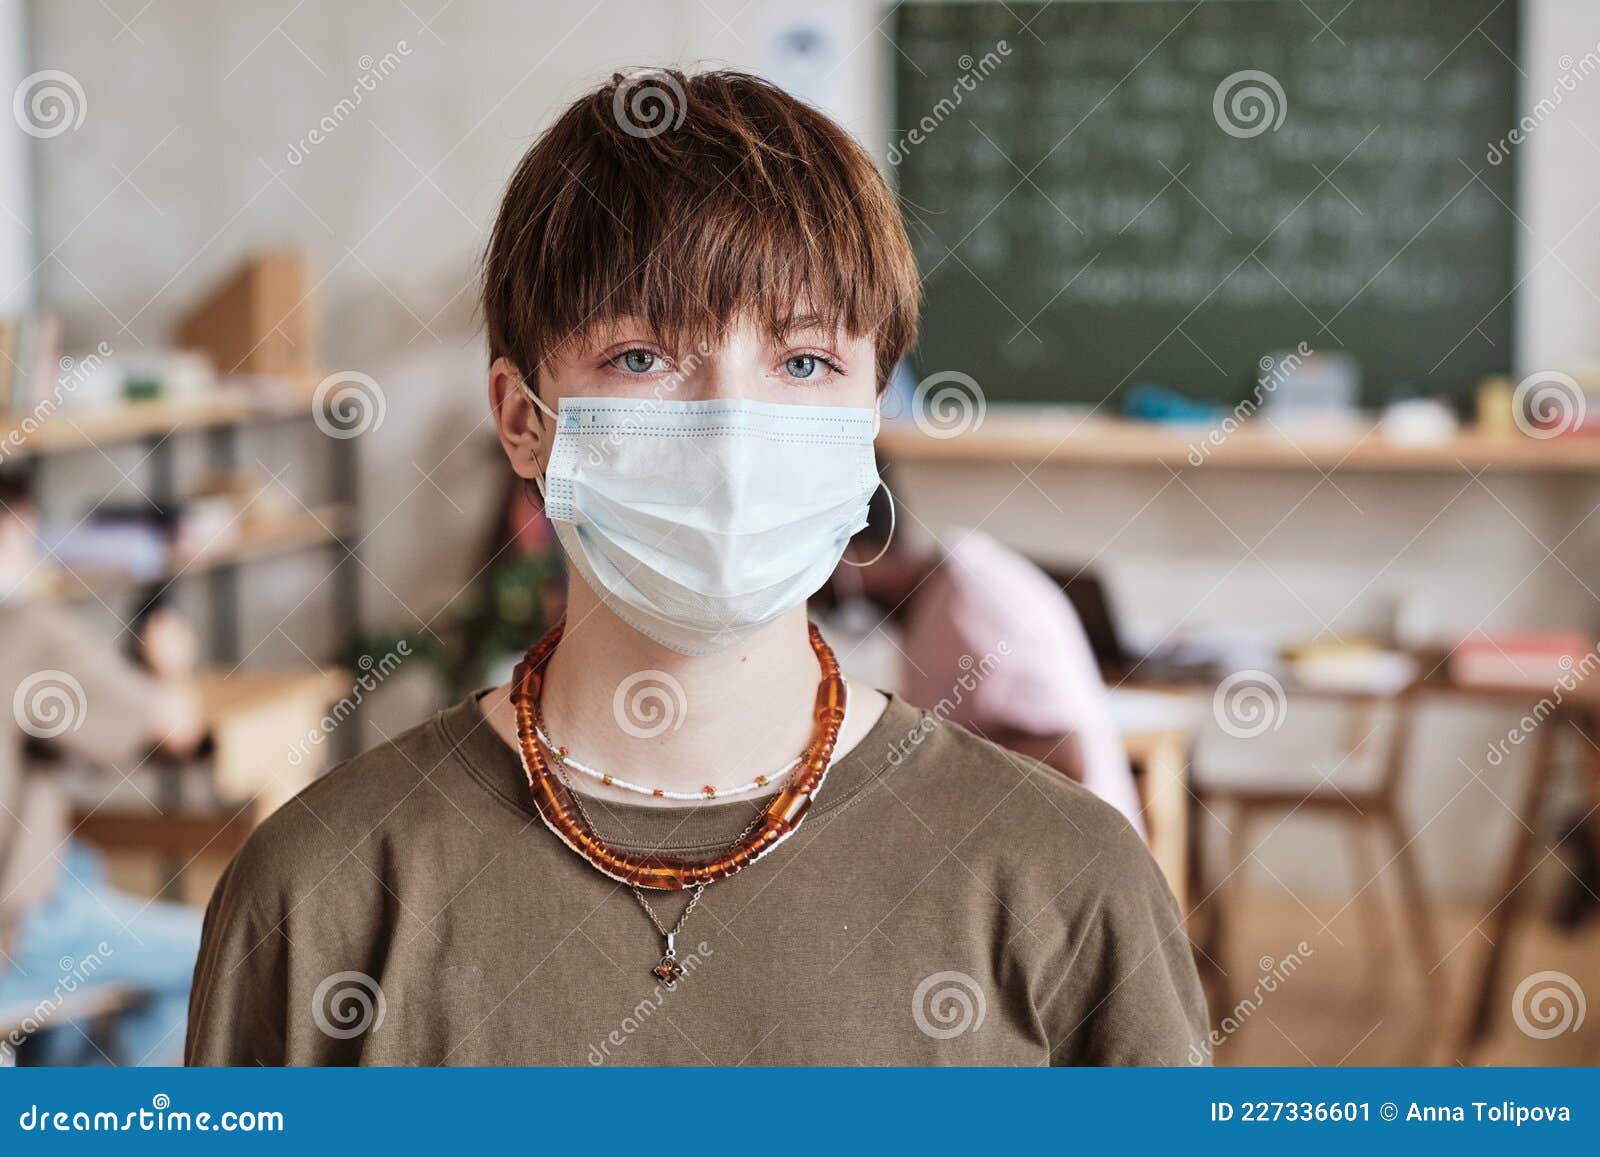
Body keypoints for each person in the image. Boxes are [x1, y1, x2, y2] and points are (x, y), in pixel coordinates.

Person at [186, 69, 1206, 1066]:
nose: (729, 432)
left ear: (871, 419)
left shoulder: (1070, 882)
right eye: (641, 356)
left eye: (802, 362)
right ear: (520, 418)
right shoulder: (316, 894)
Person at [0, 472, 206, 1066]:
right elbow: (175, 726)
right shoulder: (28, 631)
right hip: (15, 934)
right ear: (20, 524)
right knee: (220, 951)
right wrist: (171, 664)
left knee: (82, 866)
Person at [817, 476, 1145, 835]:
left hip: (1074, 855)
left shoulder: (974, 591)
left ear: (848, 549)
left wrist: (911, 767)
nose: (809, 593)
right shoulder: (923, 608)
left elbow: (1062, 758)